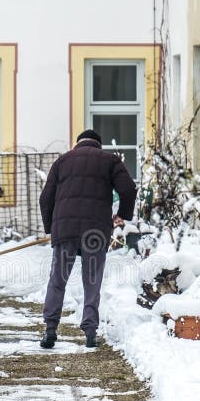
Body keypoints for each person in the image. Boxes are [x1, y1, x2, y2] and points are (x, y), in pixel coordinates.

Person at [38, 129, 137, 349]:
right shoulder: (110, 160)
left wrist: (52, 228)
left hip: (66, 230)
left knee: (57, 280)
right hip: (96, 231)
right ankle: (90, 332)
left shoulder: (62, 161)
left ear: (78, 144)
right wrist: (122, 214)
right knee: (92, 282)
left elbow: (45, 199)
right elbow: (128, 189)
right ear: (98, 145)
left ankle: (50, 330)